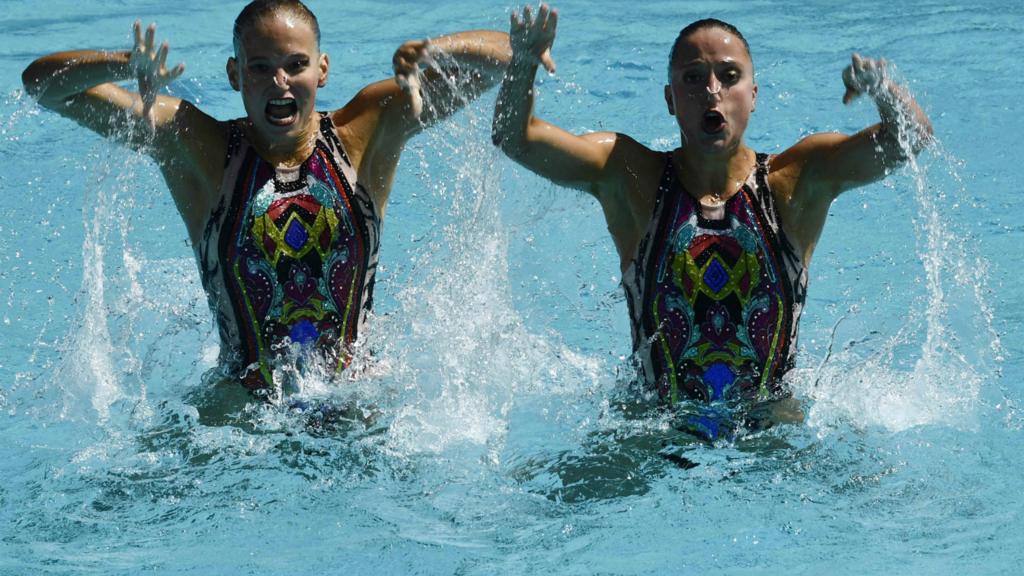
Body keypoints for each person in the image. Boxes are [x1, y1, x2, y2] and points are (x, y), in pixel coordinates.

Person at [21, 0, 511, 399]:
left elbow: (509, 57)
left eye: (296, 65)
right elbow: (42, 87)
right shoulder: (198, 147)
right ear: (235, 74)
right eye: (260, 67)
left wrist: (435, 51)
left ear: (322, 70)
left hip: (357, 395)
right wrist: (123, 64)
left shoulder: (365, 132)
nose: (280, 81)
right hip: (243, 411)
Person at [492, 5, 932, 439]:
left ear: (753, 95)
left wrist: (884, 91)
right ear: (670, 100)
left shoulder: (796, 181)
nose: (712, 91)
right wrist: (523, 64)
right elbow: (515, 138)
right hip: (655, 433)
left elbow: (910, 139)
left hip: (772, 435)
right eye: (693, 78)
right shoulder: (627, 175)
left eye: (729, 75)